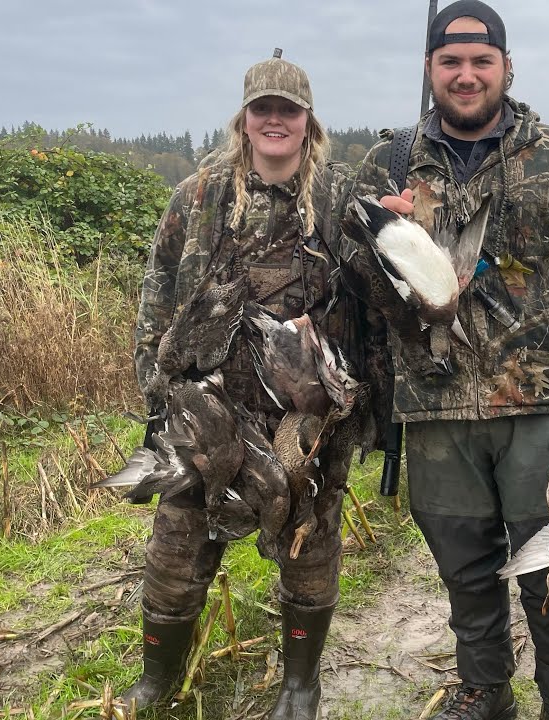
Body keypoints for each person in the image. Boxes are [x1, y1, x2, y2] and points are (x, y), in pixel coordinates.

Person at [344, 2, 549, 718]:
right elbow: (367, 294)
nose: (466, 75)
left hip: (540, 408)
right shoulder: (389, 162)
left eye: (481, 62)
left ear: (506, 68)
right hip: (435, 409)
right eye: (450, 62)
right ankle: (485, 692)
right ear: (430, 71)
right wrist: (377, 250)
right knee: (465, 572)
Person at [126, 51, 361, 720]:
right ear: (245, 118)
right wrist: (156, 392)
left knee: (308, 547)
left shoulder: (340, 201)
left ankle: (299, 686)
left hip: (304, 421)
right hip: (208, 410)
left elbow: (378, 297)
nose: (275, 120)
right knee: (175, 548)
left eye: (289, 110)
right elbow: (156, 294)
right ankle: (158, 679)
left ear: (308, 122)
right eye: (264, 109)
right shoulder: (199, 197)